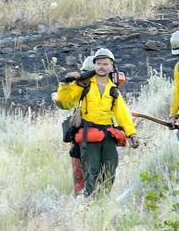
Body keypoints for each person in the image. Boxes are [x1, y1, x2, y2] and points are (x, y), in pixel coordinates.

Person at [57, 48, 138, 197]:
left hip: (107, 135)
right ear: (94, 65)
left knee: (110, 169)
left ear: (111, 66)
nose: (102, 67)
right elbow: (64, 101)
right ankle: (89, 202)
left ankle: (103, 201)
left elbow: (122, 113)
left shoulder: (112, 89)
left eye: (105, 64)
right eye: (99, 63)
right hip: (89, 135)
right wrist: (65, 84)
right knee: (91, 171)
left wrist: (131, 134)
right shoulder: (83, 85)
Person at [52, 54, 95, 195]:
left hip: (101, 135)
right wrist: (65, 84)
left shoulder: (108, 89)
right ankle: (80, 200)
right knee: (78, 172)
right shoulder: (77, 89)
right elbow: (64, 103)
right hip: (80, 135)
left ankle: (97, 198)